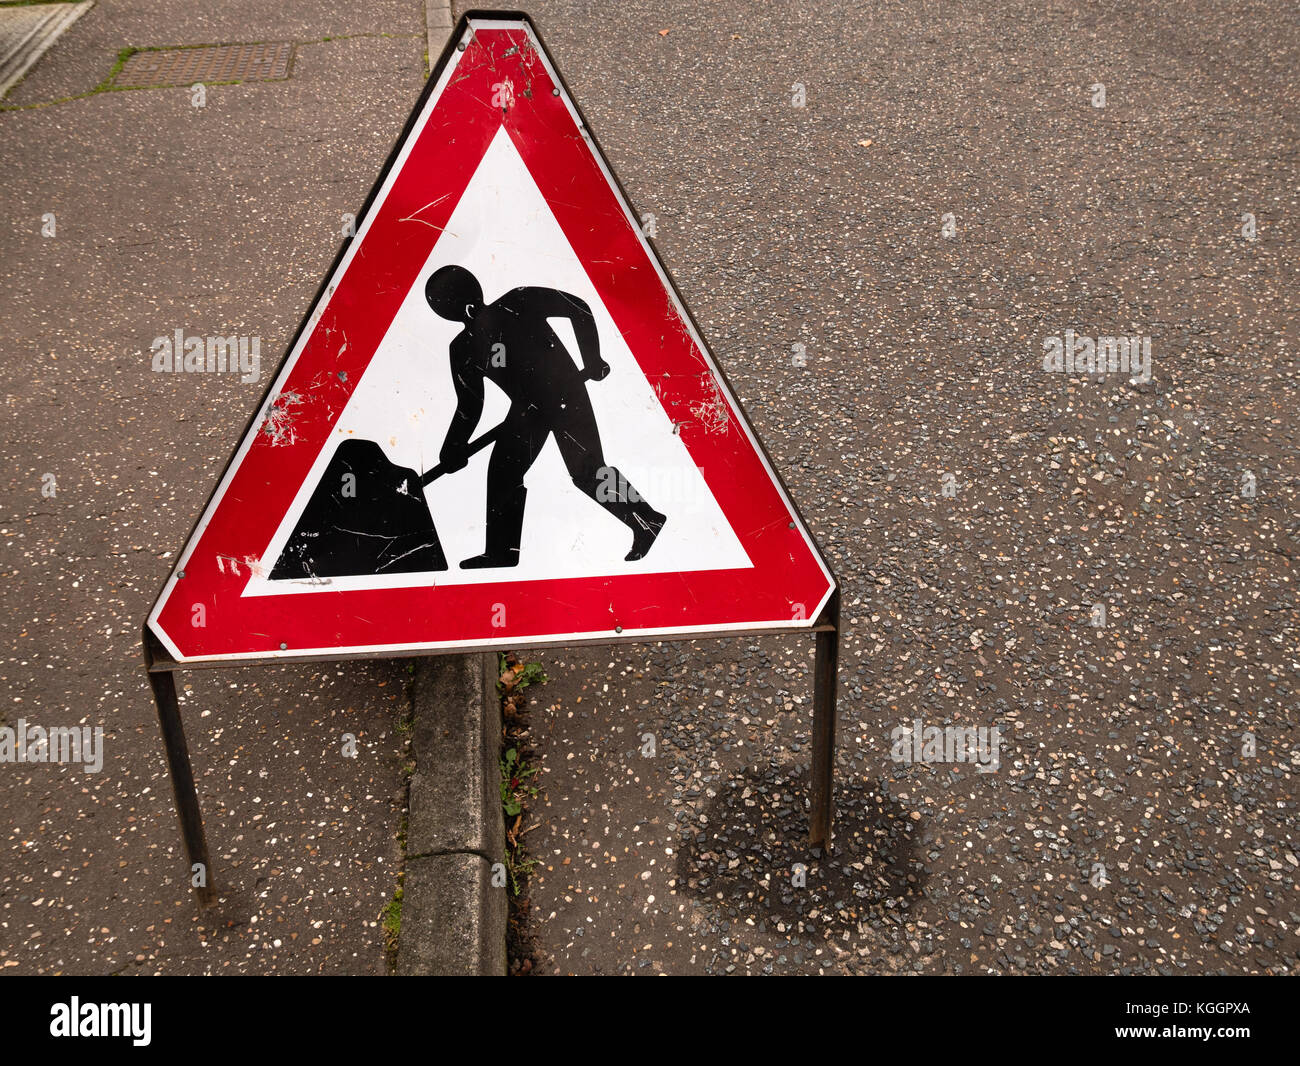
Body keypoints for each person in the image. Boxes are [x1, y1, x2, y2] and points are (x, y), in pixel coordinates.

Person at [426, 265, 667, 569]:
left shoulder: (517, 302)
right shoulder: (466, 345)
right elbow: (470, 405)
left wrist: (591, 358)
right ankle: (501, 553)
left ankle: (647, 519)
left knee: (588, 471)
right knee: (503, 474)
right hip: (528, 410)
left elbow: (577, 307)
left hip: (566, 394)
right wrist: (453, 447)